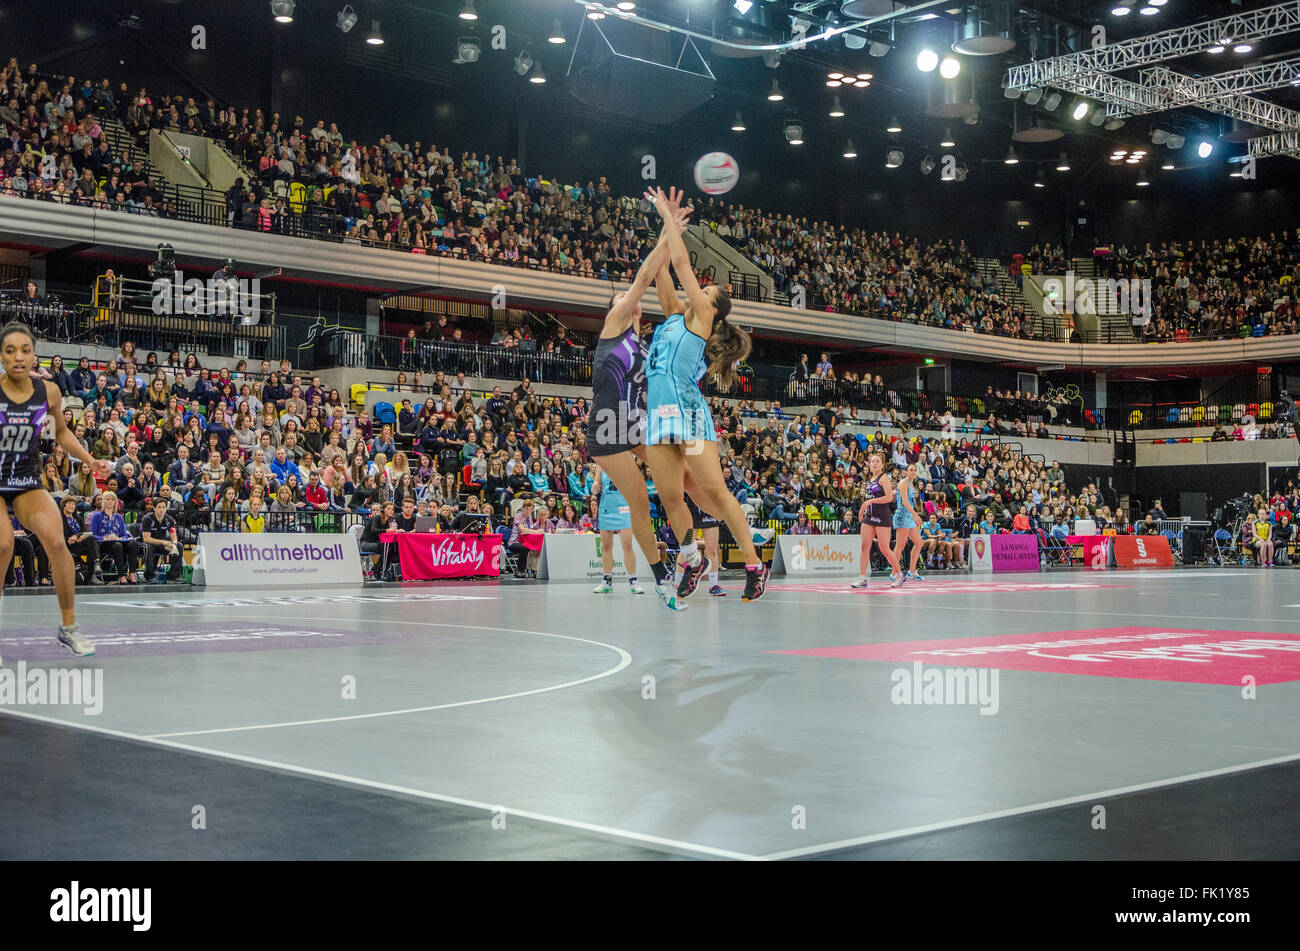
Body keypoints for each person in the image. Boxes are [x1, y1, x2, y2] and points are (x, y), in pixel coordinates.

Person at [643, 187, 769, 602]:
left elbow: (680, 263)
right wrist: (668, 228)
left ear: (712, 308)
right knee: (671, 495)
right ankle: (692, 560)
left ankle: (753, 563)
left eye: (708, 289)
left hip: (689, 415)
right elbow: (662, 271)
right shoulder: (675, 317)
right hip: (659, 413)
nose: (703, 288)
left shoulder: (701, 319)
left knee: (714, 492)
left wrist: (666, 213)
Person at [586, 187, 690, 610]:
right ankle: (662, 579)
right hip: (608, 428)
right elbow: (645, 276)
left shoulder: (644, 345)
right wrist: (668, 226)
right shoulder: (613, 325)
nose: (632, 305)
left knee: (678, 481)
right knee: (640, 503)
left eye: (632, 304)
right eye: (624, 301)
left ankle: (692, 554)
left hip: (637, 424)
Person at [0, 323, 111, 657]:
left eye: (25, 350)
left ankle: (68, 627)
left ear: (35, 355)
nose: (18, 357)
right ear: (2, 356)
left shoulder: (48, 393)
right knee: (3, 543)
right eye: (9, 351)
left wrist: (88, 459)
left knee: (56, 542)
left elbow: (60, 433)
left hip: (25, 481)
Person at [852, 452, 903, 589]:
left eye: (877, 461)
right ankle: (862, 578)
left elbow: (888, 498)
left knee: (884, 548)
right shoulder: (871, 478)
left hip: (882, 517)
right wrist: (864, 508)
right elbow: (867, 500)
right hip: (869, 517)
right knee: (865, 546)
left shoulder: (884, 477)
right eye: (872, 461)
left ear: (882, 465)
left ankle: (899, 574)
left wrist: (869, 502)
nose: (874, 463)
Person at [592, 470, 644, 596]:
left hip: (624, 507)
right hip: (606, 508)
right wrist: (595, 487)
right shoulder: (601, 464)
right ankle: (607, 582)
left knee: (627, 544)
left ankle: (633, 581)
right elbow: (595, 488)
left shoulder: (624, 461)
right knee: (606, 546)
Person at [891, 463, 925, 582]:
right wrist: (915, 515)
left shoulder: (912, 484)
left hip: (909, 515)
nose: (913, 472)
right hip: (903, 515)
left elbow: (910, 503)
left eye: (915, 470)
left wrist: (914, 514)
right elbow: (905, 502)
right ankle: (894, 572)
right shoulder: (903, 483)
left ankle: (911, 571)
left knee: (919, 543)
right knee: (900, 545)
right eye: (911, 470)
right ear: (906, 471)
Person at [140, 496, 183, 583]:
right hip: (148, 544)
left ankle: (173, 576)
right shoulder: (147, 519)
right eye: (159, 507)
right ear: (154, 508)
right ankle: (149, 576)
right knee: (149, 547)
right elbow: (146, 539)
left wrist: (174, 544)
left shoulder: (169, 519)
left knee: (179, 546)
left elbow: (173, 535)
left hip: (162, 545)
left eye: (163, 507)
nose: (161, 510)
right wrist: (164, 542)